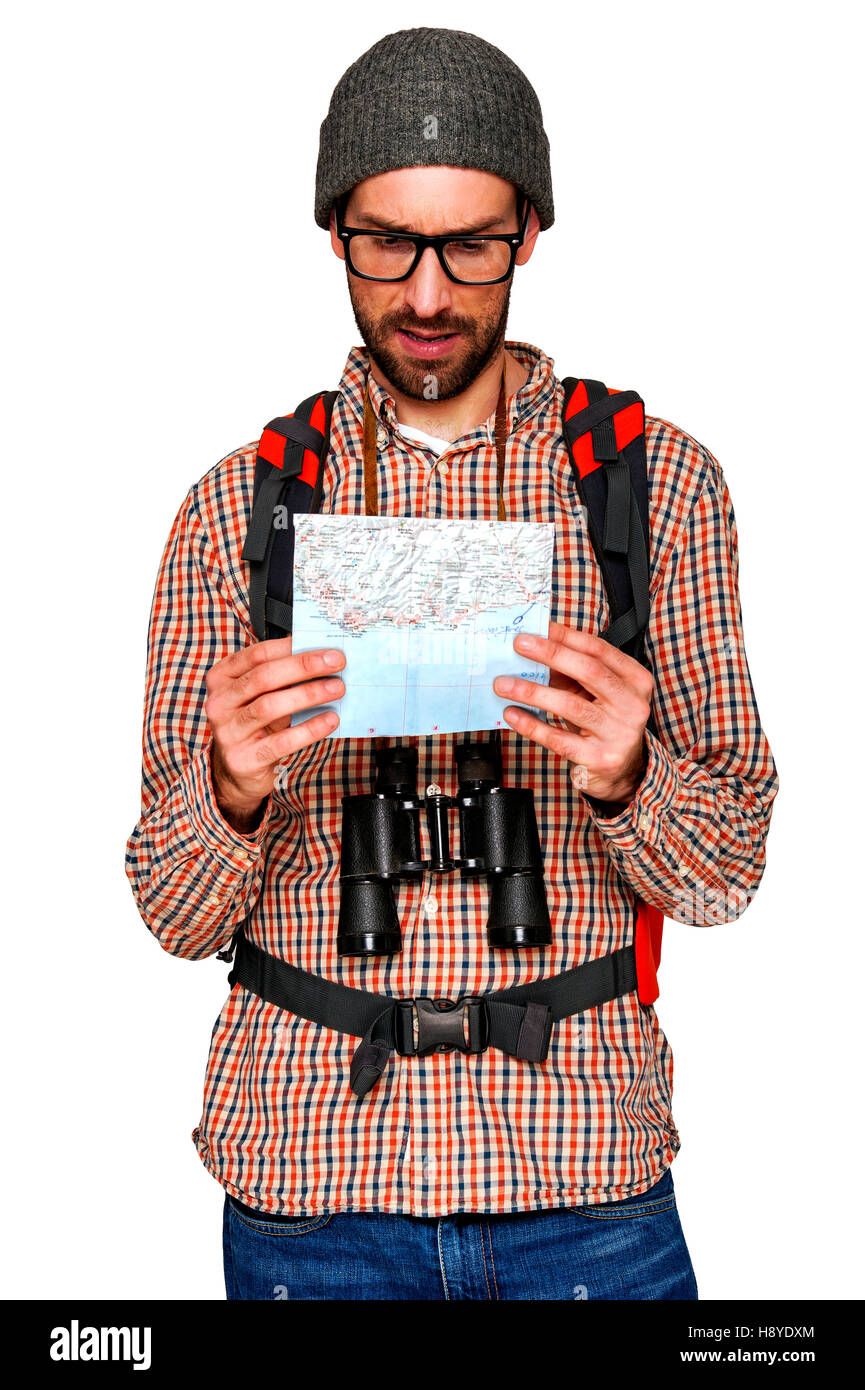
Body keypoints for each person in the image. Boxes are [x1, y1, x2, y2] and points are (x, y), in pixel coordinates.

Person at [125, 26, 779, 1301]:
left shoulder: (656, 487)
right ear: (334, 233)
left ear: (530, 230)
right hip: (311, 1178)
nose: (426, 295)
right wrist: (233, 787)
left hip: (582, 1182)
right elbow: (171, 912)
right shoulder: (236, 509)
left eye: (470, 245)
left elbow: (725, 877)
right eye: (387, 243)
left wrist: (629, 771)